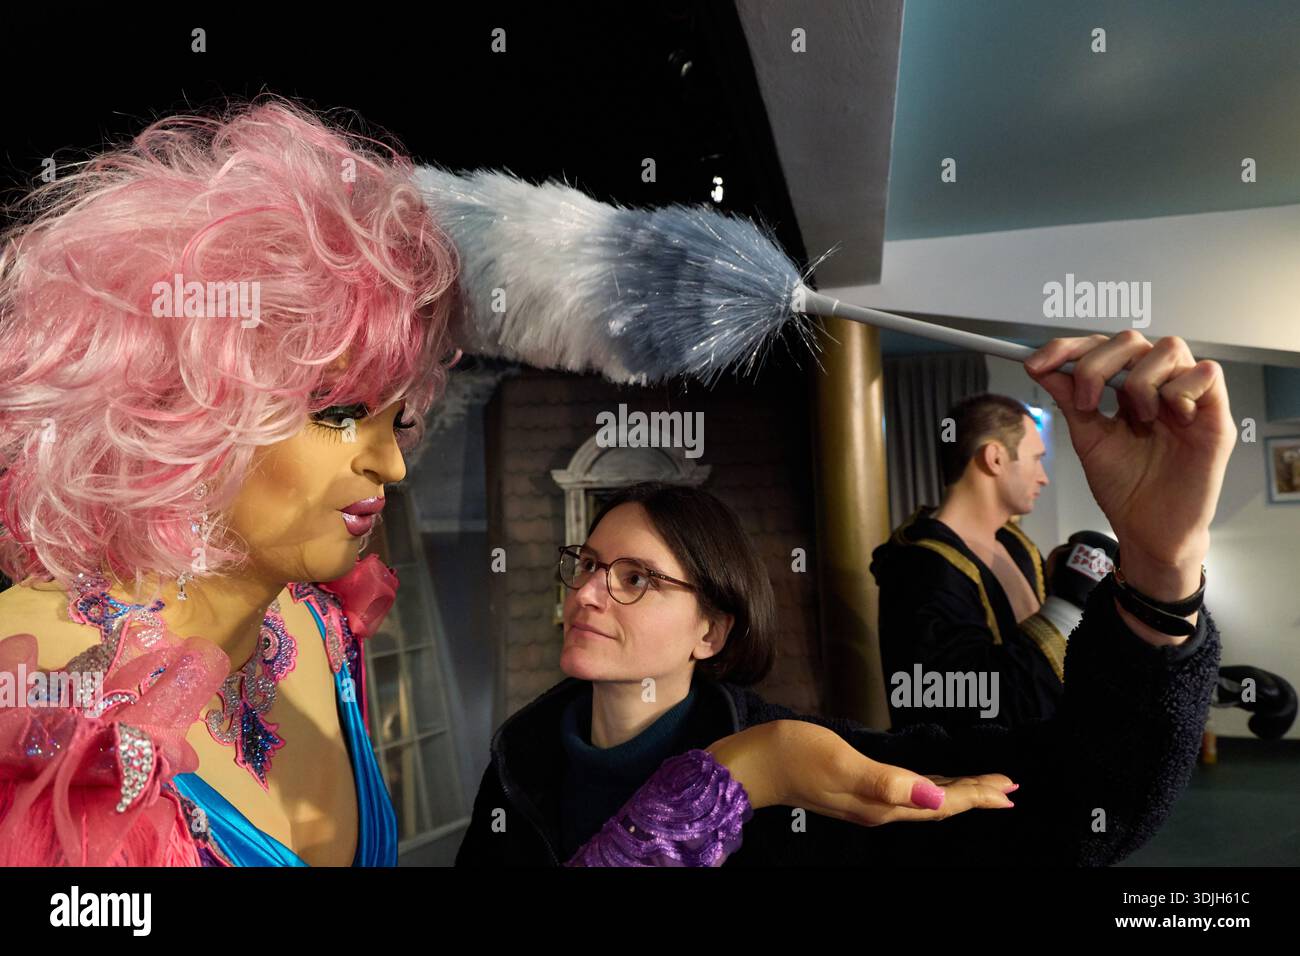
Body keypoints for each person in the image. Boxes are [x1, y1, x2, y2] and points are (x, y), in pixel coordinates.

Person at [0, 98, 996, 867]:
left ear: (718, 625)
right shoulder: (45, 722)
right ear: (185, 394)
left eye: (399, 418)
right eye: (340, 409)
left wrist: (1155, 581)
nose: (390, 463)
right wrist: (731, 784)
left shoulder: (309, 619)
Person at [459, 330, 1234, 866]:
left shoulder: (808, 763)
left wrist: (1164, 570)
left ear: (712, 630)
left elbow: (1089, 802)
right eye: (587, 564)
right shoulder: (518, 761)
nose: (590, 592)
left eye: (633, 577)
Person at [872, 394, 1071, 729]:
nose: (1043, 477)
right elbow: (965, 701)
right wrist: (1068, 610)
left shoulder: (1015, 543)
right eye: (1036, 459)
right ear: (994, 458)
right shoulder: (920, 567)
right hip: (975, 775)